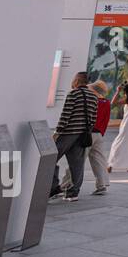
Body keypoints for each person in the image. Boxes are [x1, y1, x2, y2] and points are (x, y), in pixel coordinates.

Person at [50, 73, 98, 201]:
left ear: (77, 80)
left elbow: (66, 115)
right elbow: (93, 118)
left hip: (68, 133)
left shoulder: (73, 94)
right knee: (77, 164)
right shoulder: (93, 96)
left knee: (51, 158)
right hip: (82, 135)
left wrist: (57, 132)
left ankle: (54, 188)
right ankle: (73, 193)